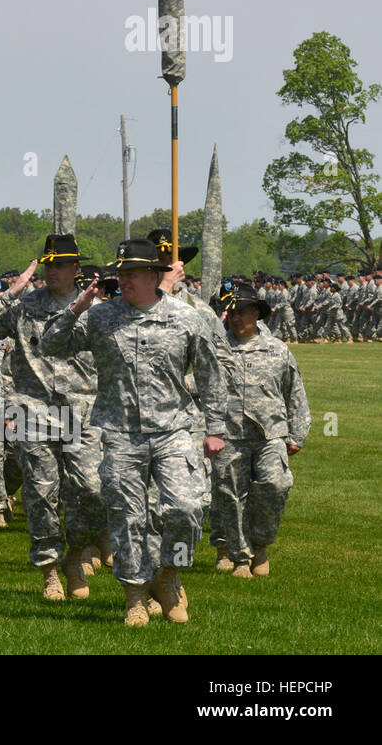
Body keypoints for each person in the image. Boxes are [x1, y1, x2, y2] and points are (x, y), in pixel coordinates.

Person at [40, 239, 226, 626]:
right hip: (121, 433)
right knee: (127, 516)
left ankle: (168, 572)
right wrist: (77, 307)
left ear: (153, 276)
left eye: (132, 273)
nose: (123, 279)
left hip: (173, 429)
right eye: (120, 273)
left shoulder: (185, 317)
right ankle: (136, 595)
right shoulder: (101, 317)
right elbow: (51, 345)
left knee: (186, 507)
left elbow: (210, 375)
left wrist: (216, 428)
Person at [0, 235, 106, 600]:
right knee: (42, 493)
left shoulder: (97, 311)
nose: (53, 270)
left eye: (60, 264)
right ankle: (49, 568)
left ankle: (76, 553)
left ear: (76, 268)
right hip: (30, 409)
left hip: (81, 411)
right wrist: (12, 292)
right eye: (48, 264)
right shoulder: (25, 306)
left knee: (90, 489)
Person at [213, 284, 310, 579]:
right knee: (231, 496)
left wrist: (297, 434)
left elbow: (295, 392)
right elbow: (201, 386)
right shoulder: (216, 348)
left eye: (242, 312)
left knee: (275, 485)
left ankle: (261, 543)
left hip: (270, 434)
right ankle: (241, 558)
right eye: (231, 312)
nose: (236, 318)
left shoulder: (278, 349)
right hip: (229, 433)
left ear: (256, 313)